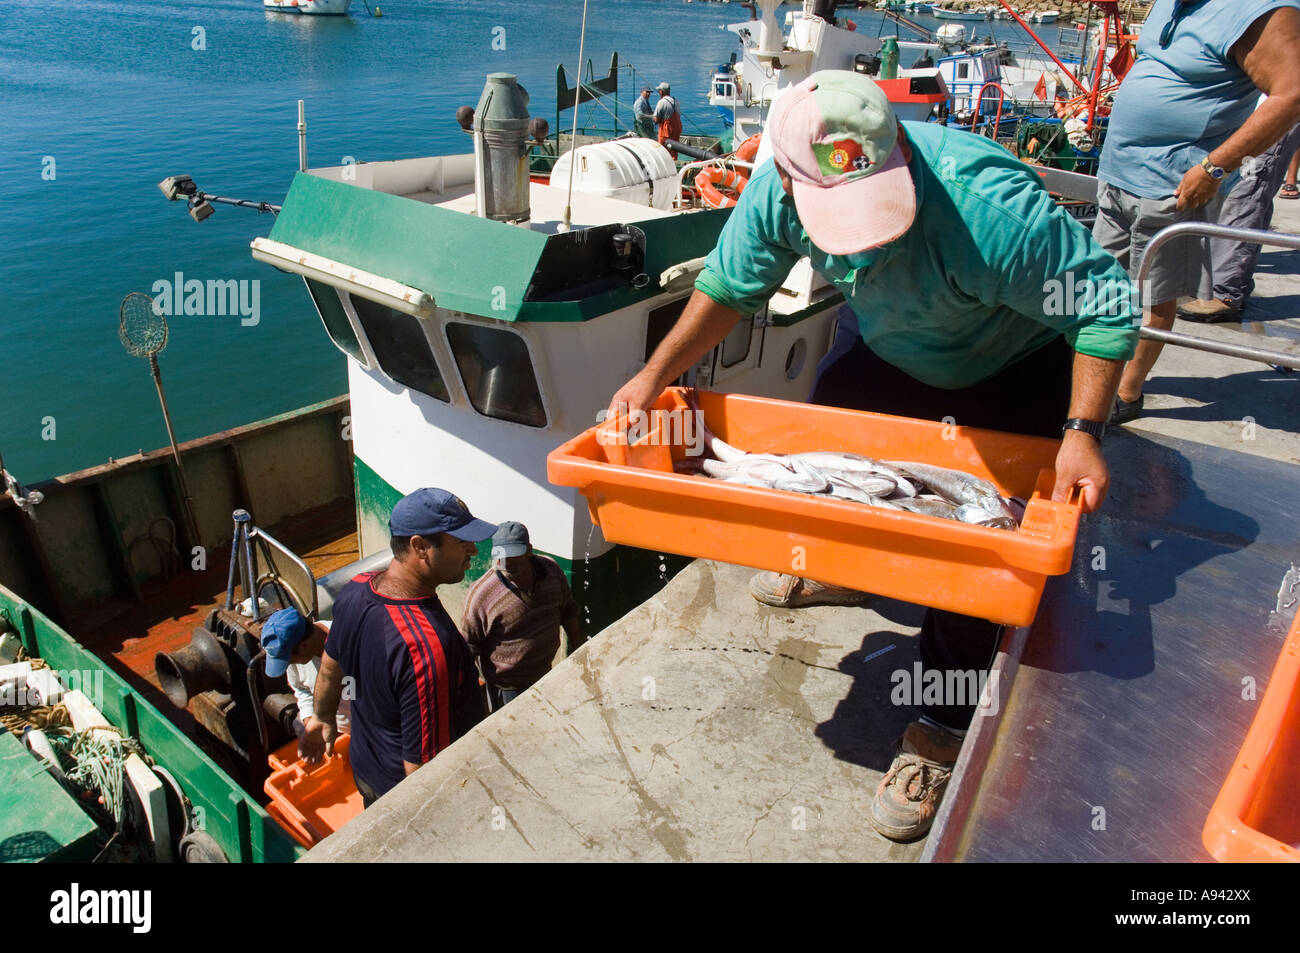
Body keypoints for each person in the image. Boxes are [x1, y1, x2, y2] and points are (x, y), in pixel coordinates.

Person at [608, 71, 1139, 841]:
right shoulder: (775, 191)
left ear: (896, 155)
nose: (868, 236)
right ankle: (840, 561)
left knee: (973, 562)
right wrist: (654, 376)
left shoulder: (986, 209)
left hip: (1008, 362)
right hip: (888, 338)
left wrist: (1083, 430)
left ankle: (941, 724)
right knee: (826, 454)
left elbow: (1104, 304)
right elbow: (729, 285)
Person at [1092, 0, 1300, 423]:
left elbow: (1292, 92)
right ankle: (1093, 380)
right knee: (1100, 289)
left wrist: (1215, 167)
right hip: (1117, 178)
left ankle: (1127, 393)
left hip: (1171, 187)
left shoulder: (1257, 9)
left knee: (1155, 296)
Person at [300, 488, 493, 807]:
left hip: (366, 772)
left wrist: (322, 717)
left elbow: (332, 664)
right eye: (461, 542)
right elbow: (423, 772)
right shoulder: (426, 649)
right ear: (420, 547)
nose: (473, 550)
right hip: (401, 797)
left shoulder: (356, 590)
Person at [1178, 114, 1300, 322]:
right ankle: (1231, 286)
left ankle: (1223, 293)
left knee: (1246, 193)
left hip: (1271, 113)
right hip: (1254, 114)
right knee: (1248, 193)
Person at [461, 521, 584, 709]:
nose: (507, 562)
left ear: (529, 550)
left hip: (547, 675)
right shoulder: (481, 595)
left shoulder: (551, 570)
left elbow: (568, 610)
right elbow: (469, 648)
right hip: (508, 690)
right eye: (501, 557)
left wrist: (579, 651)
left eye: (514, 555)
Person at [260, 606, 350, 738]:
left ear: (303, 646)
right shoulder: (293, 654)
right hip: (338, 730)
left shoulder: (351, 643)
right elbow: (302, 689)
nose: (290, 665)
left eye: (290, 660)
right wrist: (309, 719)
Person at [654, 82, 683, 158]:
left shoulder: (661, 102)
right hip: (677, 127)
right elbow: (678, 115)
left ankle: (665, 162)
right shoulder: (676, 101)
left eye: (659, 91)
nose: (659, 93)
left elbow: (656, 119)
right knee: (674, 147)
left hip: (667, 129)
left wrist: (655, 119)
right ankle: (674, 160)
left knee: (664, 147)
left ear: (661, 91)